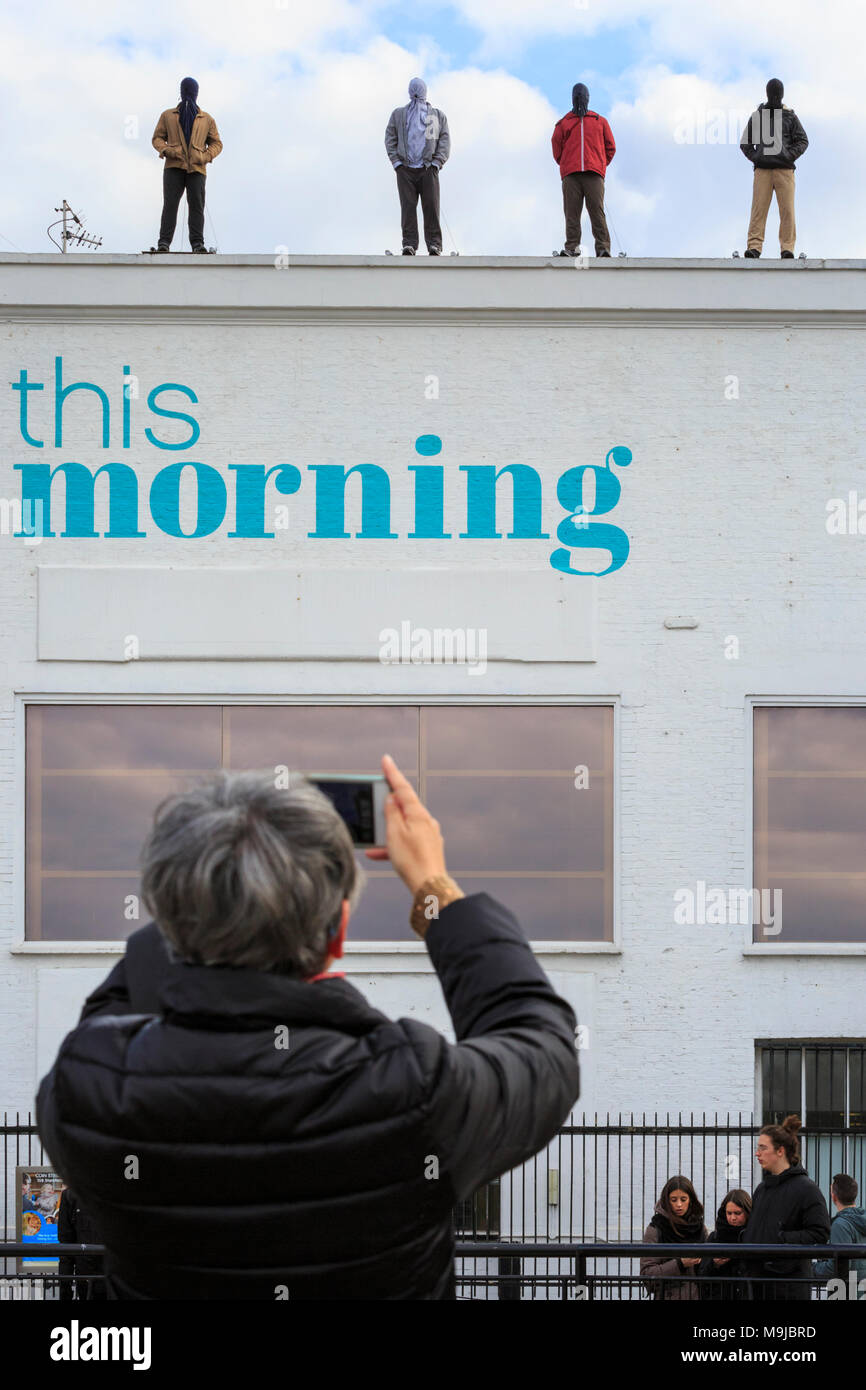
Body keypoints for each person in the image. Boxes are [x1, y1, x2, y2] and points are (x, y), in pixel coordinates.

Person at [37, 754, 580, 1300]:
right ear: (340, 932)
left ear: (171, 912)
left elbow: (121, 1001)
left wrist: (206, 884)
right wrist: (434, 889)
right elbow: (541, 1042)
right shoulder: (416, 1090)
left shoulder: (92, 1089)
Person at [740, 1114, 830, 1300]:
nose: (757, 1153)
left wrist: (781, 1238)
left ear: (780, 1151)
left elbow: (820, 1232)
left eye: (763, 1148)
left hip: (788, 1286)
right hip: (757, 1284)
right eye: (758, 1148)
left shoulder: (806, 1189)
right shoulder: (762, 1189)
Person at [151, 77, 223, 253]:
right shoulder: (168, 115)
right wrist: (168, 150)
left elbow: (217, 143)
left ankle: (197, 244)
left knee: (197, 205)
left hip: (197, 168)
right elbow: (157, 138)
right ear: (181, 92)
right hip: (173, 167)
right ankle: (164, 243)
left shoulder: (207, 119)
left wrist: (205, 156)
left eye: (191, 91)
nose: (189, 94)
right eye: (186, 90)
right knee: (170, 205)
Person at [740, 79, 808, 259]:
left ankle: (787, 249)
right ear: (768, 94)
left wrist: (788, 155)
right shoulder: (758, 116)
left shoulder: (790, 116)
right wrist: (757, 157)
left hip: (784, 170)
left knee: (787, 211)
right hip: (763, 170)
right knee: (758, 210)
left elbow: (803, 141)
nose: (776, 96)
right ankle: (754, 247)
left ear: (782, 94)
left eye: (778, 93)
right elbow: (745, 143)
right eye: (773, 92)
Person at [385, 79, 451, 256]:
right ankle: (409, 244)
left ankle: (434, 245)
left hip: (428, 168)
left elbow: (444, 140)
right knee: (407, 207)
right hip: (405, 169)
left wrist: (437, 162)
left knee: (431, 206)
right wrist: (397, 163)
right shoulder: (399, 114)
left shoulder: (436, 116)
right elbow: (390, 137)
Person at [551, 83, 616, 258]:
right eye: (577, 95)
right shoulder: (564, 123)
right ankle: (572, 248)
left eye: (583, 95)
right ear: (572, 98)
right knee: (572, 213)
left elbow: (611, 147)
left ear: (588, 98)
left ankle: (603, 248)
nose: (580, 98)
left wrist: (599, 164)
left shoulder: (599, 121)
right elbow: (556, 149)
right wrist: (567, 164)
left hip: (593, 174)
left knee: (597, 211)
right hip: (571, 176)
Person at [640, 1175, 708, 1300]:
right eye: (673, 1200)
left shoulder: (700, 1228)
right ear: (666, 1201)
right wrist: (680, 1263)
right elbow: (647, 1275)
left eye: (683, 1199)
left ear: (690, 1200)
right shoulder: (655, 1229)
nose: (679, 1205)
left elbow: (707, 1268)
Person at [696, 1188, 751, 1300]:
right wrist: (714, 1264)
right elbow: (701, 1273)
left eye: (737, 1213)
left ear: (747, 1212)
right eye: (729, 1213)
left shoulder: (754, 1236)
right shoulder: (715, 1237)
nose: (733, 1218)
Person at [812, 1173, 866, 1282]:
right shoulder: (861, 1218)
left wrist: (811, 1268)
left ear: (833, 1196)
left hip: (848, 1292)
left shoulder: (840, 1225)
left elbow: (836, 1268)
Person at [58, 1186, 105, 1301]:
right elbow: (66, 1246)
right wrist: (65, 1290)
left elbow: (66, 1246)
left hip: (91, 1275)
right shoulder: (70, 1196)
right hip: (88, 1276)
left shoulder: (70, 1195)